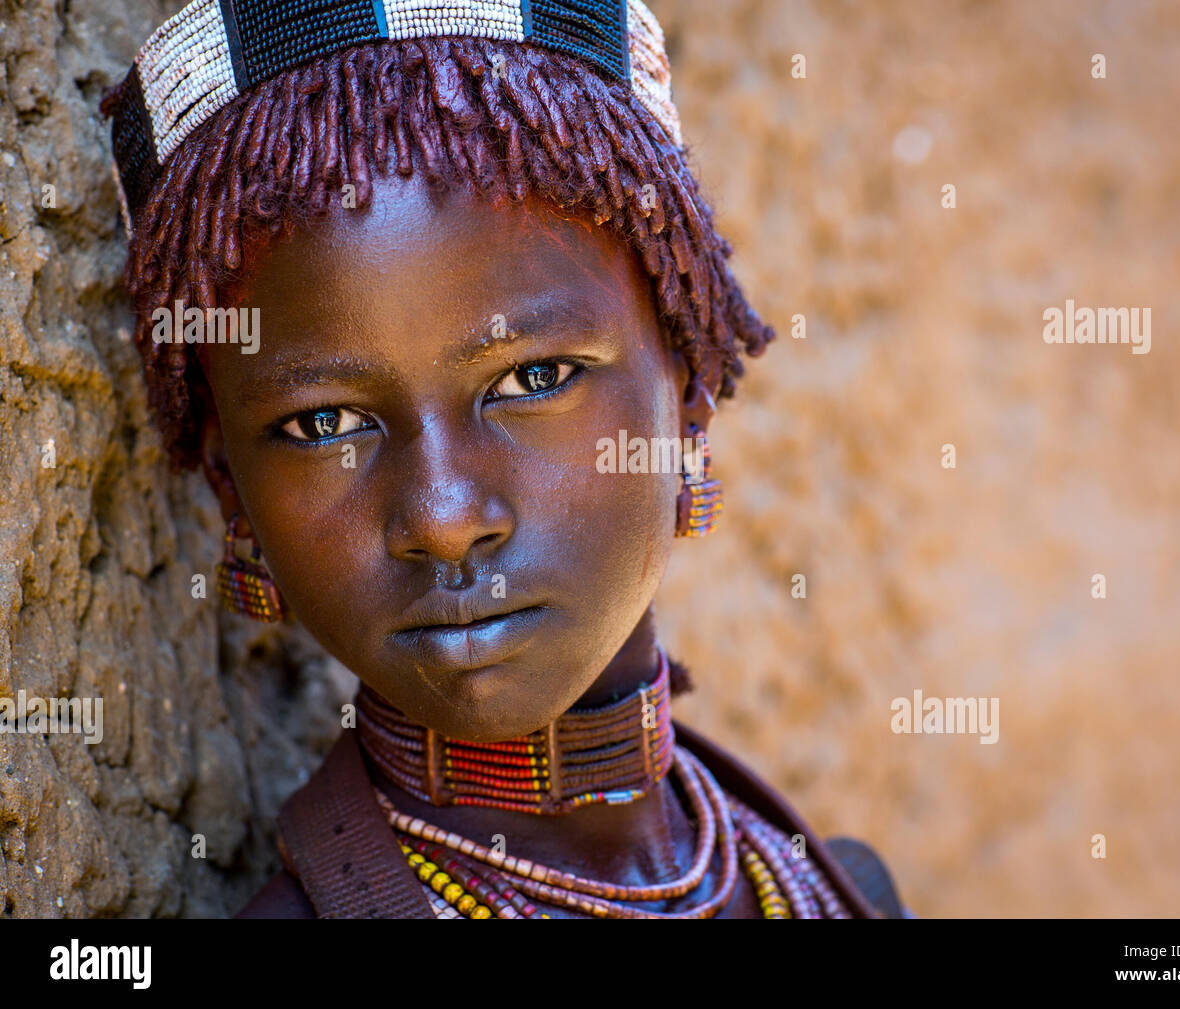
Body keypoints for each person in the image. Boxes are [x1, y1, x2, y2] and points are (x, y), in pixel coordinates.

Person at [101, 0, 906, 919]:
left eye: (535, 375)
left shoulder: (841, 894)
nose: (443, 517)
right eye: (323, 426)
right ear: (227, 483)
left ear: (683, 375)